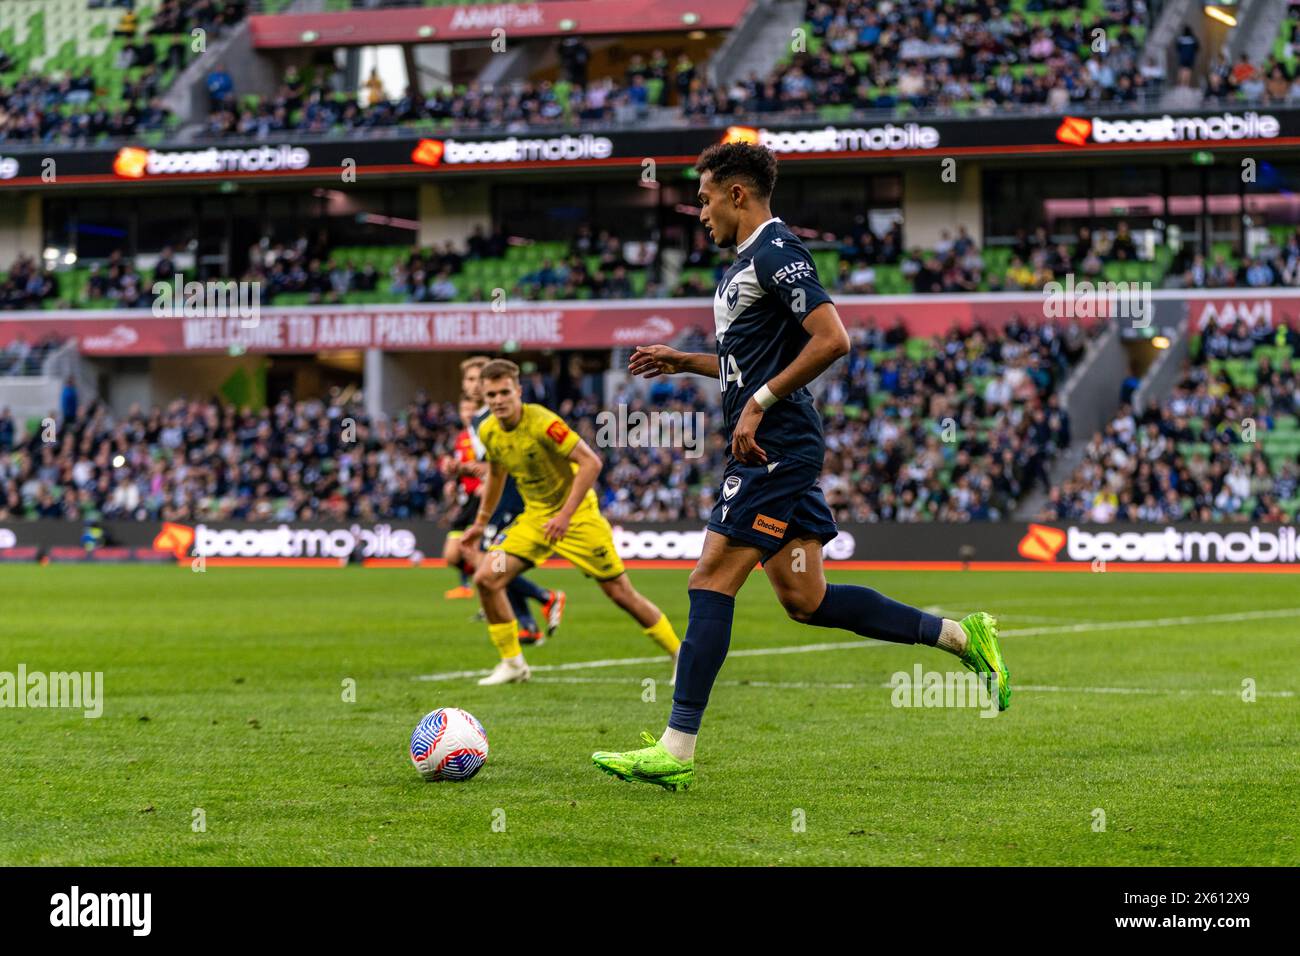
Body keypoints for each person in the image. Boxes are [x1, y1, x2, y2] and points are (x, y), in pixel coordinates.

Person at [590, 142, 1010, 790]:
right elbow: (747, 363)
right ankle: (961, 636)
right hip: (773, 439)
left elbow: (833, 338)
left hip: (774, 445)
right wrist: (688, 361)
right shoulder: (742, 266)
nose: (699, 212)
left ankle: (677, 748)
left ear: (737, 194)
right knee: (806, 599)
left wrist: (757, 403)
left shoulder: (777, 250)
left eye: (704, 199)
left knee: (708, 581)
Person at [463, 359, 679, 685]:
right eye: (491, 394)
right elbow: (495, 473)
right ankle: (513, 663)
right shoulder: (489, 430)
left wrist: (565, 515)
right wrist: (480, 522)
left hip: (577, 517)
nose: (498, 400)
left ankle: (680, 654)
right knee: (486, 578)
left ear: (518, 391)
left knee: (620, 594)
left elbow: (591, 462)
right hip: (536, 518)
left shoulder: (544, 423)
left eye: (504, 392)